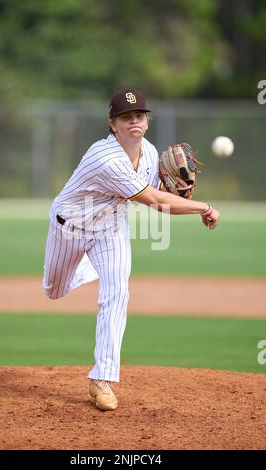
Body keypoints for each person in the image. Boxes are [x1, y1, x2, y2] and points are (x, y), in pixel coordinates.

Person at [42, 88, 220, 411]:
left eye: (139, 116)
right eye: (126, 117)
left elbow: (161, 203)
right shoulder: (106, 157)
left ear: (147, 122)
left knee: (117, 293)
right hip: (70, 227)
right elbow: (155, 199)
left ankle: (103, 379)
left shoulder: (150, 154)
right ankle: (90, 265)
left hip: (110, 228)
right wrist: (203, 207)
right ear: (113, 125)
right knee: (53, 290)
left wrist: (178, 193)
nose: (133, 121)